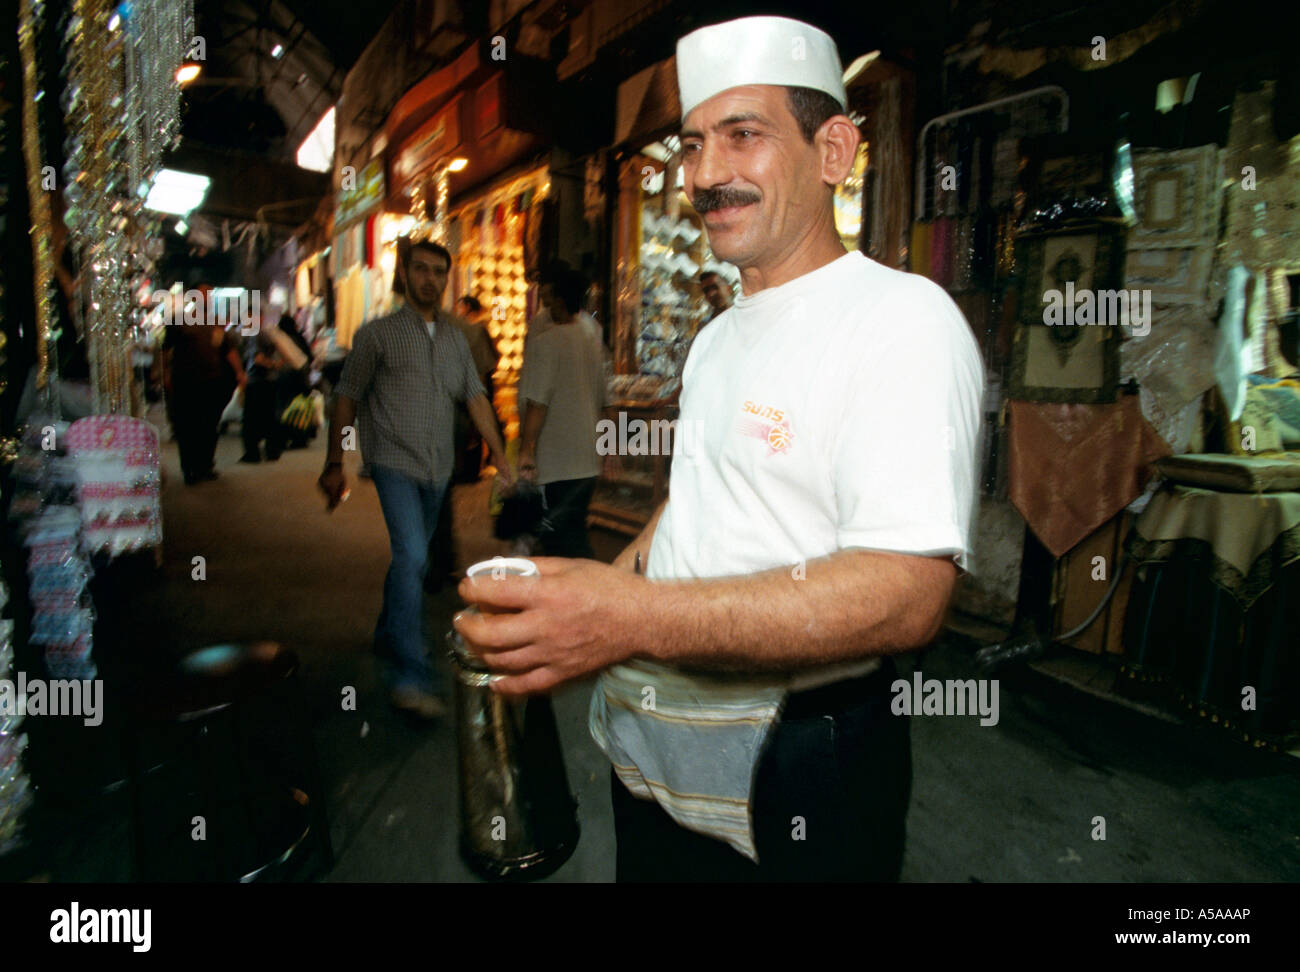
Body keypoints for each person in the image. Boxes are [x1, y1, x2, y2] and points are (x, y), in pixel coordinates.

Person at [455, 14, 984, 882]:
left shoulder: (901, 321)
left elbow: (907, 595)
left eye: (745, 137)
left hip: (804, 759)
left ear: (835, 149)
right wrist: (571, 608)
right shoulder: (718, 337)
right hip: (658, 750)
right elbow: (698, 502)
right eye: (695, 143)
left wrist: (623, 620)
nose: (705, 175)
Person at [319, 240, 513, 719]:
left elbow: (475, 398)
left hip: (438, 467)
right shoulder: (377, 335)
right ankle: (411, 675)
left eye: (438, 272)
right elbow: (346, 397)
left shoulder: (456, 338)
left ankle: (388, 632)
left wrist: (504, 462)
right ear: (404, 275)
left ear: (447, 280)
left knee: (414, 559)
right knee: (412, 556)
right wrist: (334, 461)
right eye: (421, 270)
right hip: (393, 464)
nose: (430, 279)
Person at [516, 267, 606, 558]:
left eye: (546, 299)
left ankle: (597, 594)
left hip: (557, 461)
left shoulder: (546, 343)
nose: (544, 306)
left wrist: (526, 450)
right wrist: (612, 447)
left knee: (563, 540)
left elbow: (537, 405)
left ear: (557, 300)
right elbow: (608, 399)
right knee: (571, 529)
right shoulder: (593, 337)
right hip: (587, 459)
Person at [161, 283, 247, 484]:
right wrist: (164, 373)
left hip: (212, 381)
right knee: (187, 426)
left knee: (208, 426)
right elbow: (165, 350)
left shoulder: (216, 323)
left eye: (208, 295)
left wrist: (239, 372)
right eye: (202, 294)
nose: (205, 298)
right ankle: (189, 469)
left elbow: (229, 350)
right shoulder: (178, 321)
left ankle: (206, 465)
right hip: (185, 381)